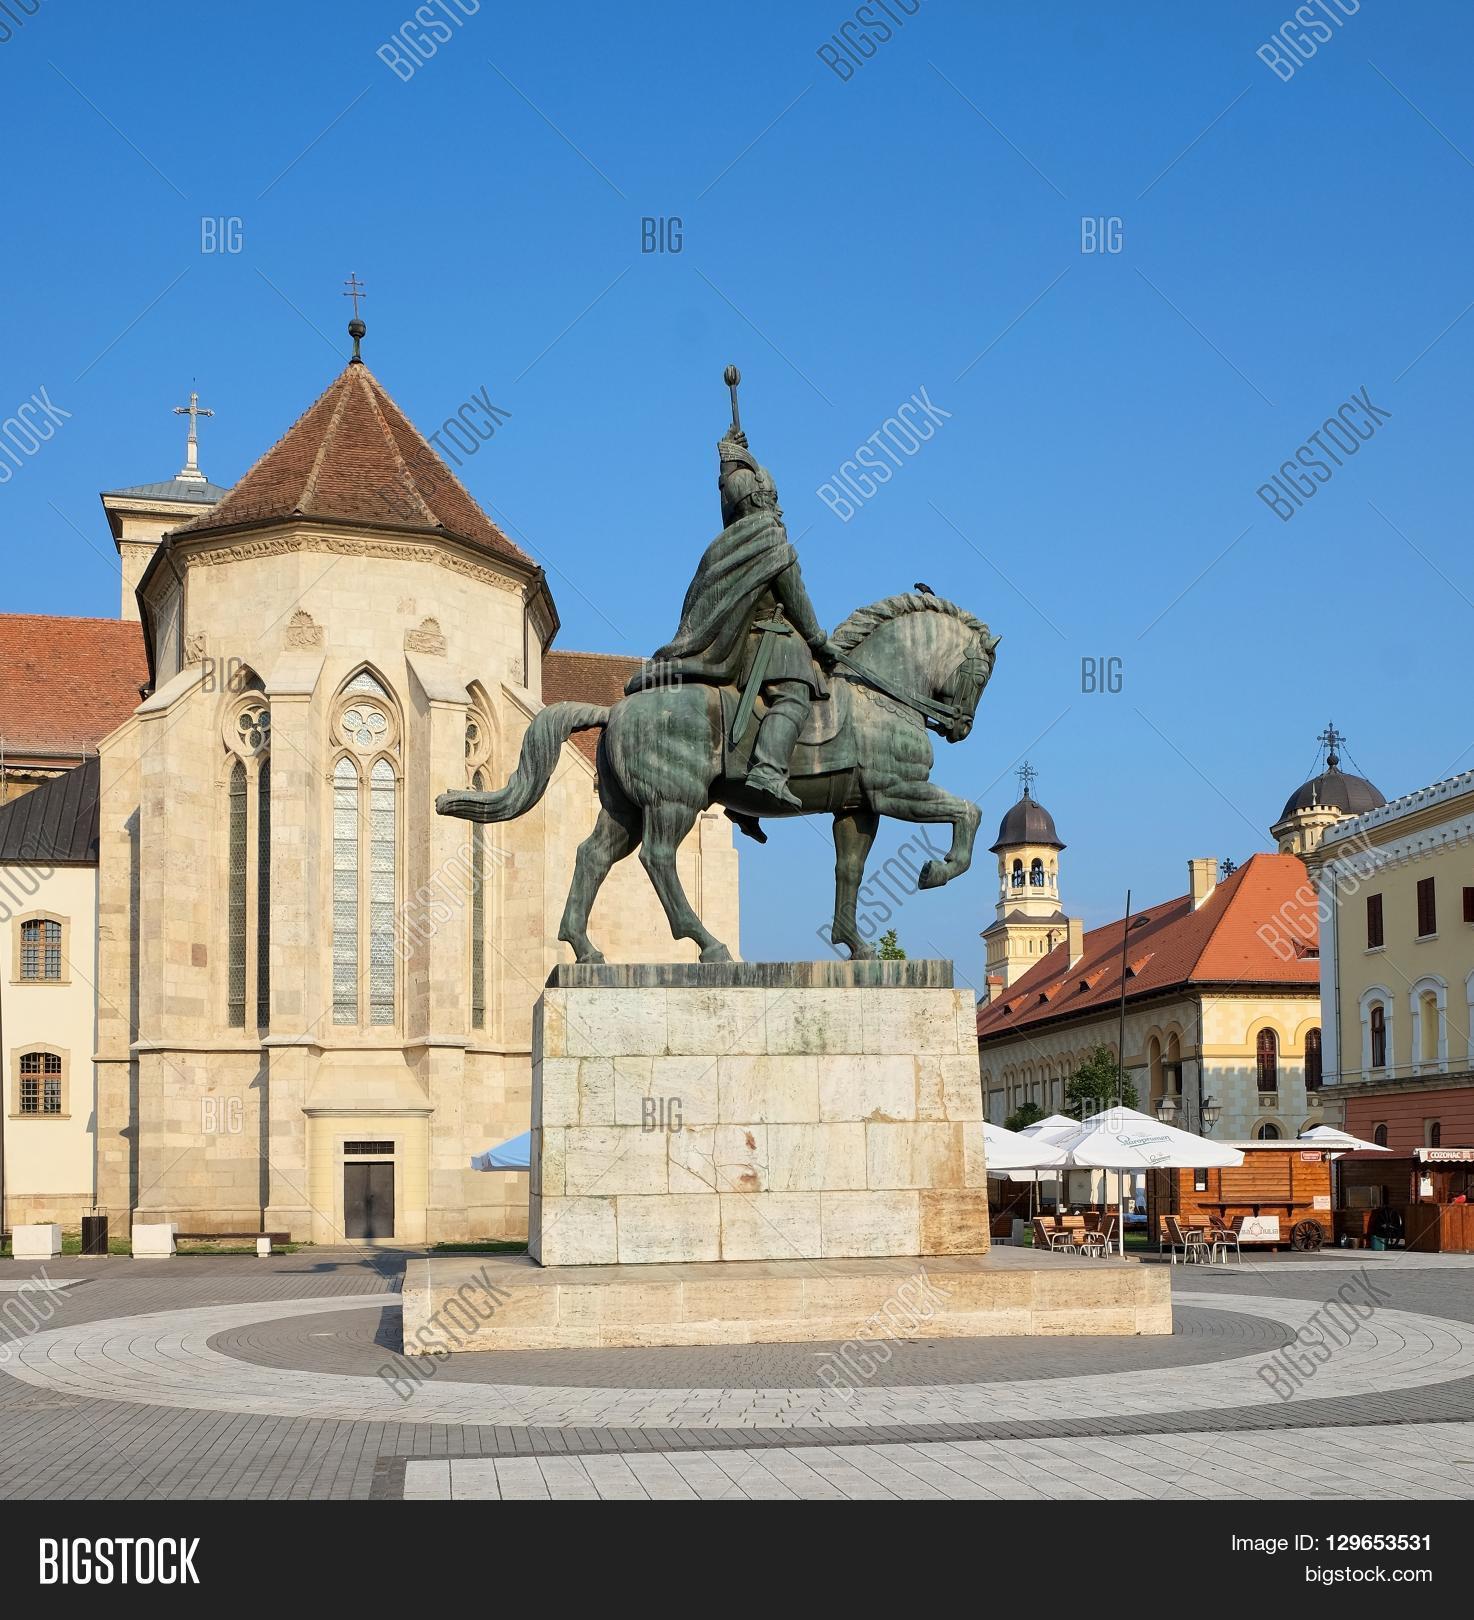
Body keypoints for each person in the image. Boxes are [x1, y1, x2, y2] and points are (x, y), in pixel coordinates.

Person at [631, 427, 840, 810]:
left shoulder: (727, 546)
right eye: (773, 499)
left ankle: (744, 808)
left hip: (740, 649)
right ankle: (768, 770)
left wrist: (731, 456)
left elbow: (733, 496)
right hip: (774, 651)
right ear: (759, 499)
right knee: (793, 700)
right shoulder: (773, 545)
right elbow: (800, 605)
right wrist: (821, 642)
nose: (779, 508)